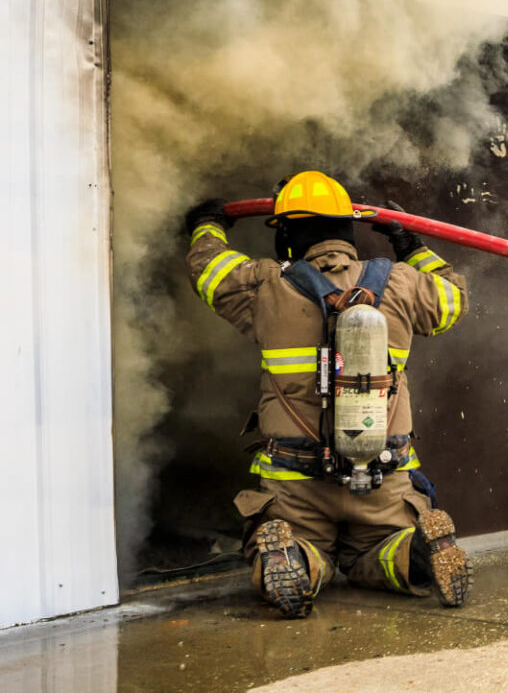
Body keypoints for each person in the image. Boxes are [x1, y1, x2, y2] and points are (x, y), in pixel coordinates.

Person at [185, 170, 471, 618]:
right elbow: (454, 298)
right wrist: (410, 246)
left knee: (305, 546)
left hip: (297, 481)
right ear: (346, 230)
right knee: (372, 554)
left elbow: (207, 269)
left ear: (288, 237)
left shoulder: (264, 285)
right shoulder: (402, 283)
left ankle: (293, 558)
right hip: (385, 475)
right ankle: (417, 552)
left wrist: (208, 224)